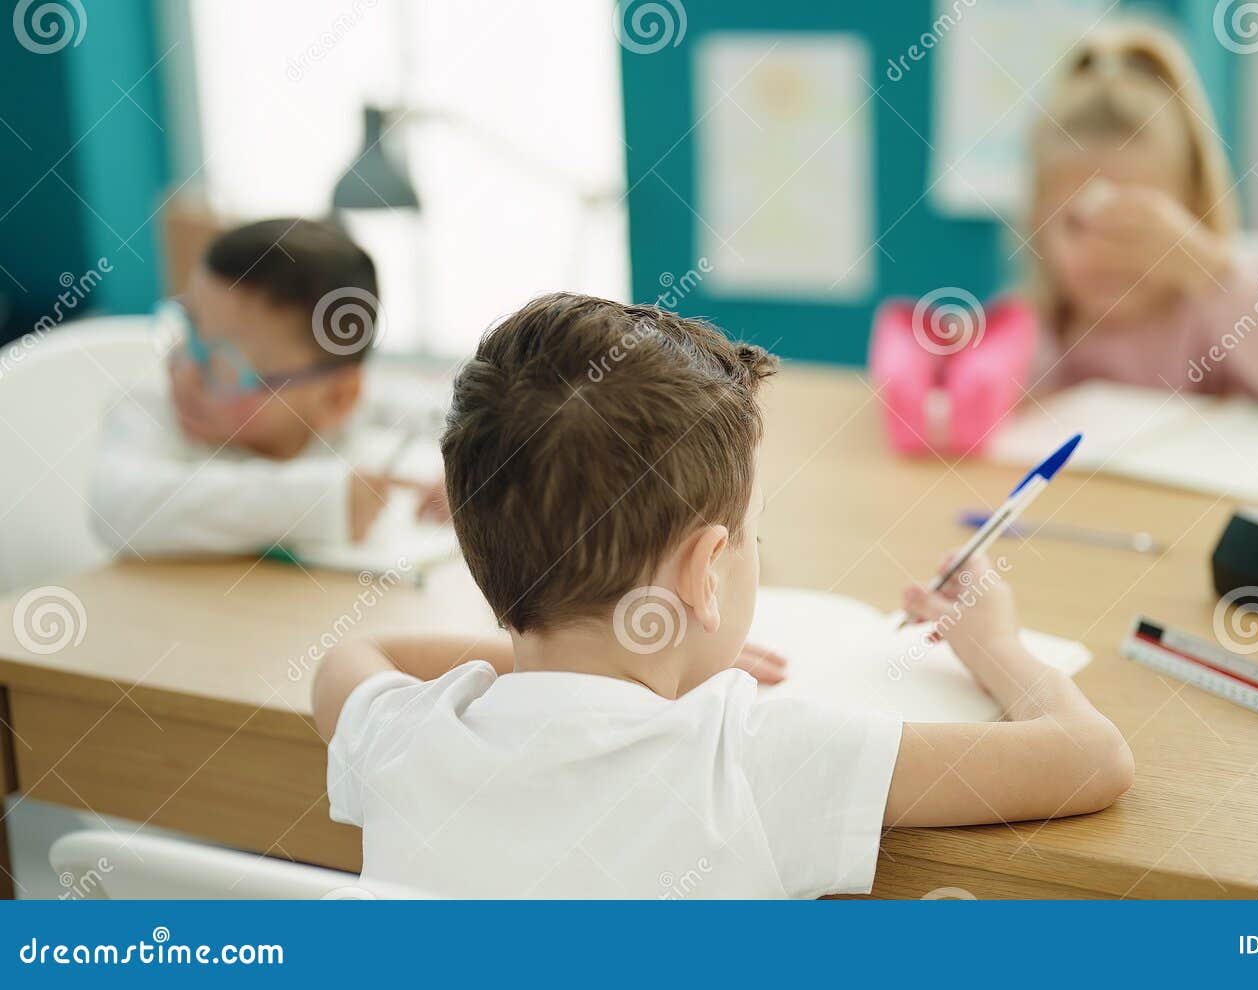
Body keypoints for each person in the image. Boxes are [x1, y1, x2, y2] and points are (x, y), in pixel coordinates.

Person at [312, 293, 1132, 899]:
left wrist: (616, 653)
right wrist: (993, 645)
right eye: (750, 537)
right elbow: (1089, 760)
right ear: (704, 572)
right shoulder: (746, 756)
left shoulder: (403, 738)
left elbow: (350, 658)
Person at [88, 218, 446, 557]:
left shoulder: (353, 409)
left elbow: (445, 410)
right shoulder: (150, 410)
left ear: (336, 397)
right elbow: (117, 506)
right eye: (185, 329)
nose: (186, 372)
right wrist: (323, 502)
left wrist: (463, 472)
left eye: (223, 365)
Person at [1027, 23, 1258, 406]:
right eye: (1077, 224)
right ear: (1038, 226)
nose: (1110, 250)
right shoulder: (1042, 331)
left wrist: (1212, 269)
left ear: (1192, 212)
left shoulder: (1212, 316)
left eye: (1138, 224)